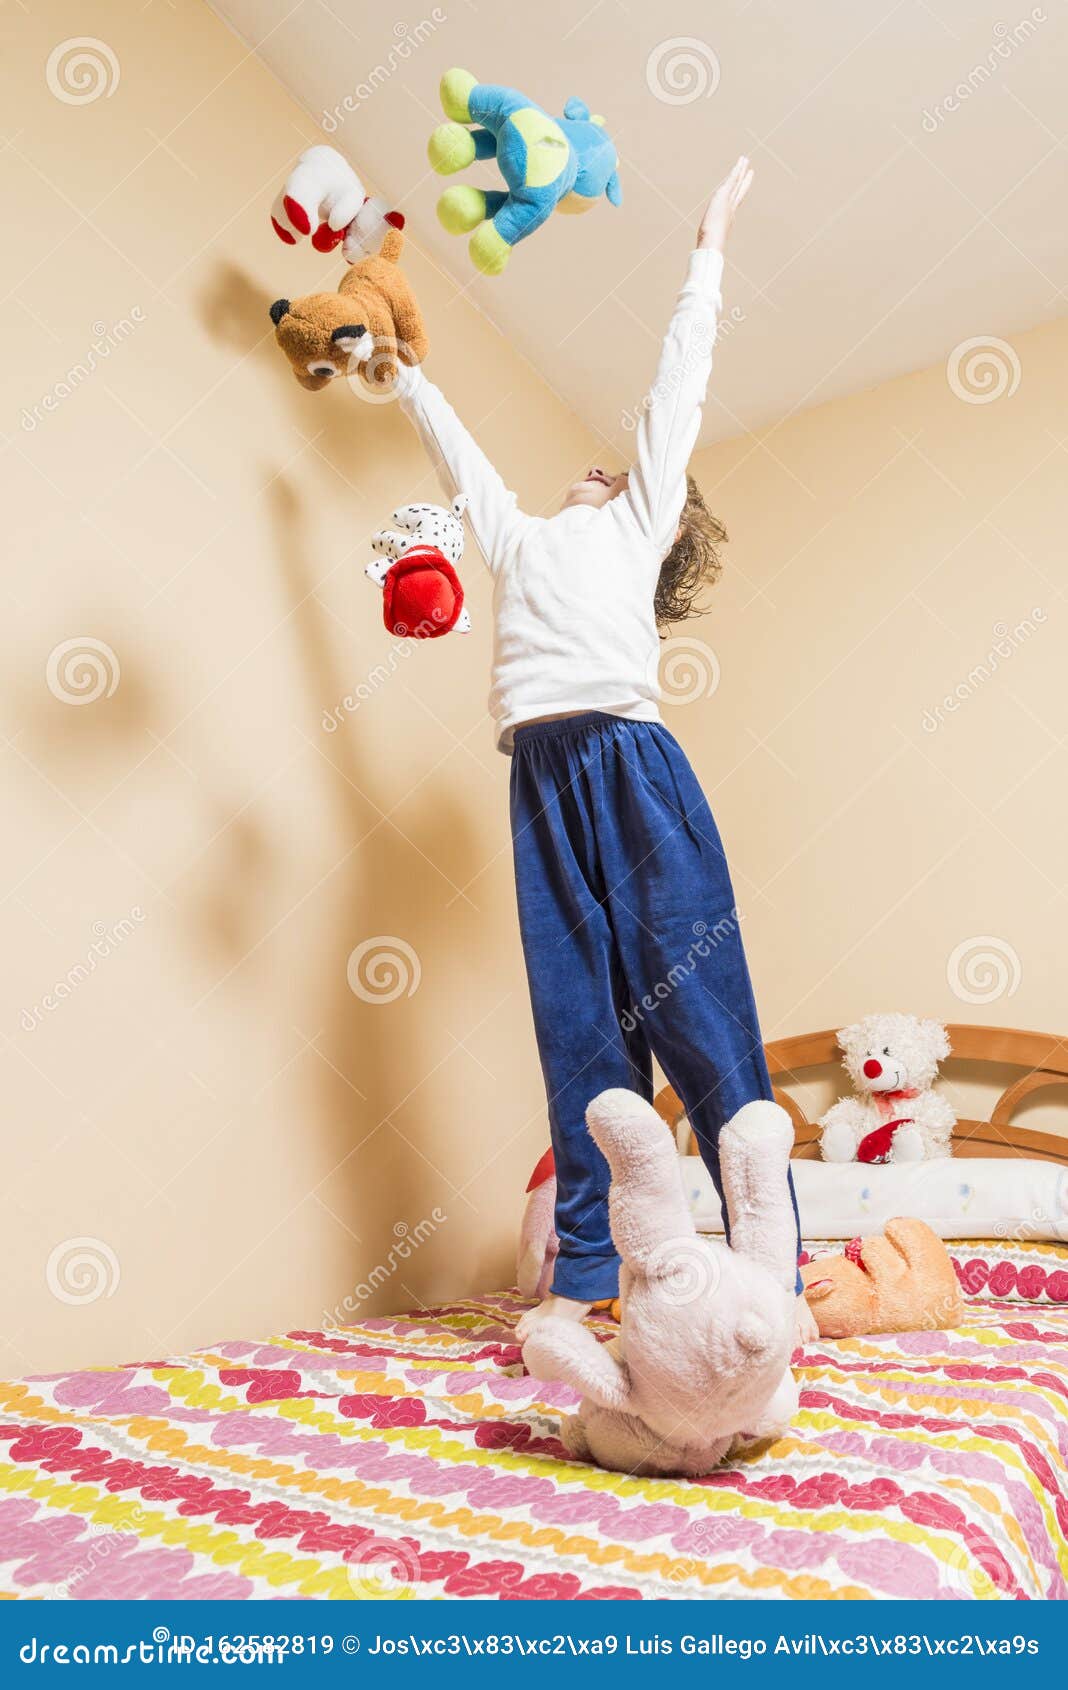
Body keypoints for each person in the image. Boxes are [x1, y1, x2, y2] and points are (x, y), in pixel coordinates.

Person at [395, 157, 814, 1344]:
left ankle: (769, 1270)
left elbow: (676, 388)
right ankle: (591, 1267)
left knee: (704, 1016)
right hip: (539, 785)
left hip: (635, 773)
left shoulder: (633, 525)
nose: (600, 467)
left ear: (660, 513)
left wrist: (709, 245)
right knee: (578, 1023)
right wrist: (402, 368)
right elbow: (456, 455)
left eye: (626, 474)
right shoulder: (522, 541)